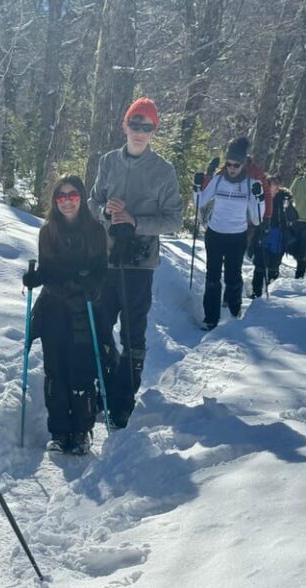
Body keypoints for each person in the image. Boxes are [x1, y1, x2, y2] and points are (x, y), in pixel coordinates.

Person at [88, 97, 183, 429]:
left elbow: (174, 220)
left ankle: (123, 401)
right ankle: (105, 388)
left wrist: (135, 221)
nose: (140, 131)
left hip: (139, 263)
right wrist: (104, 211)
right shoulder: (108, 162)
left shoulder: (163, 170)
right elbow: (93, 201)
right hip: (106, 260)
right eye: (135, 124)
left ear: (154, 130)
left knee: (133, 333)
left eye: (147, 126)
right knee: (99, 327)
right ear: (124, 126)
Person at [23, 176, 108, 454]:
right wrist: (35, 278)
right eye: (61, 196)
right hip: (54, 309)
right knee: (55, 371)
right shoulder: (48, 232)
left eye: (73, 195)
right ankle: (59, 432)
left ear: (81, 197)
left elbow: (101, 271)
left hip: (83, 309)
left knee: (81, 370)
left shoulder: (95, 231)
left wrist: (91, 285)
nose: (67, 201)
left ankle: (82, 431)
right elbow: (47, 269)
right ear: (55, 201)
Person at [196, 137, 264, 330]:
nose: (232, 168)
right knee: (212, 277)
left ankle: (235, 314)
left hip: (237, 236)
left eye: (236, 165)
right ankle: (210, 319)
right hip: (215, 234)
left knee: (233, 276)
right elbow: (201, 202)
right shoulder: (218, 180)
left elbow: (257, 219)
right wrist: (197, 187)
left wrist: (259, 199)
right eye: (228, 164)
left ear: (243, 165)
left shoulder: (251, 184)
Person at [250, 174, 297, 298]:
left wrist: (288, 206)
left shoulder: (283, 198)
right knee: (259, 265)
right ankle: (256, 292)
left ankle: (272, 291)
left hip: (278, 235)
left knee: (274, 265)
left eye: (278, 187)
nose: (277, 189)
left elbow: (294, 217)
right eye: (274, 186)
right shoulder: (261, 196)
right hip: (262, 233)